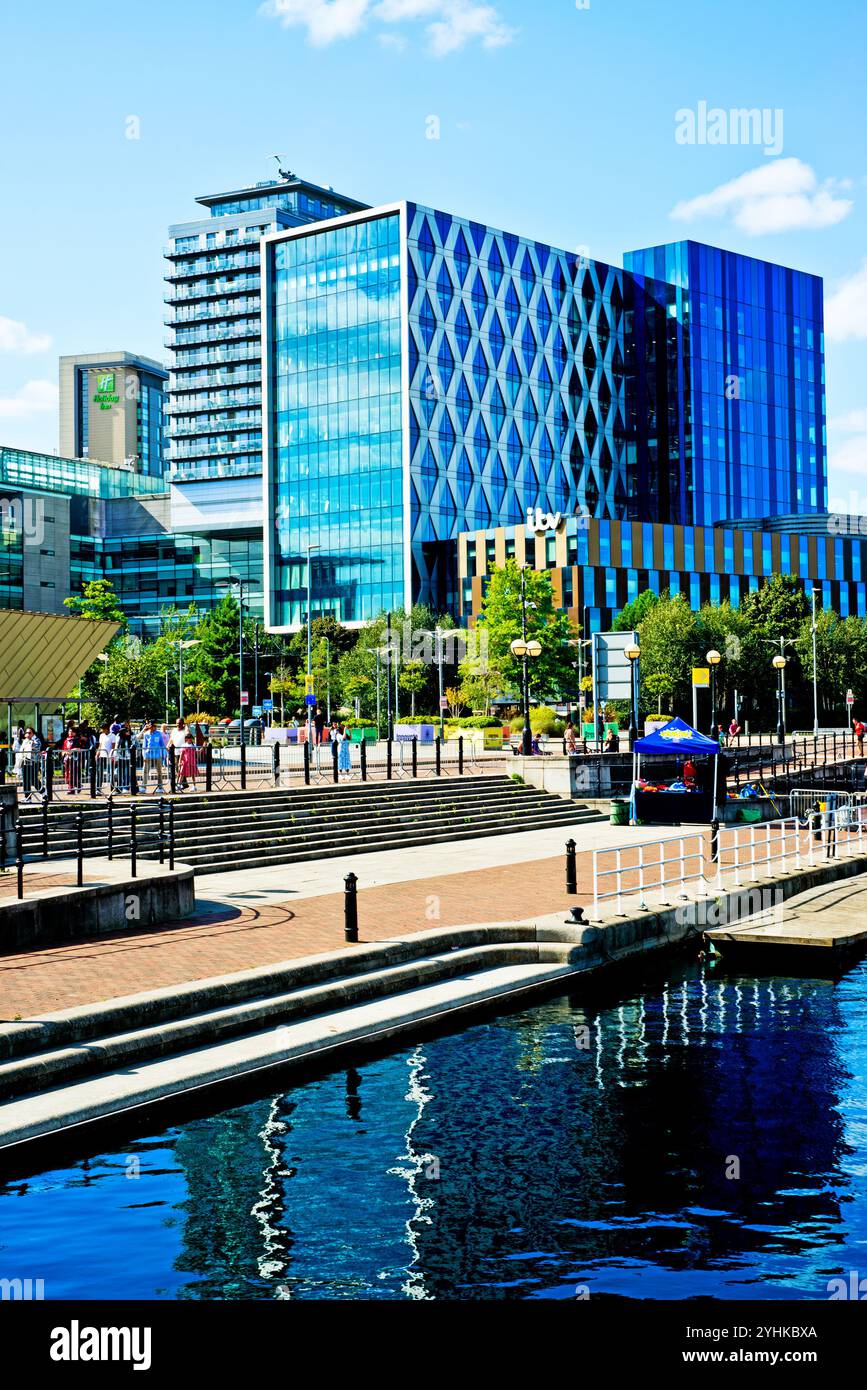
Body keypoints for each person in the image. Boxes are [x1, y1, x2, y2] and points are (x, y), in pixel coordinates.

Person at [141, 718, 167, 793]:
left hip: (157, 755)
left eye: (155, 726)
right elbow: (144, 746)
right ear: (150, 726)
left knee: (159, 771)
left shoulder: (159, 734)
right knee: (145, 771)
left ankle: (160, 787)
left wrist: (164, 755)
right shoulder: (146, 734)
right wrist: (144, 755)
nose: (154, 727)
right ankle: (143, 787)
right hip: (148, 755)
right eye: (153, 726)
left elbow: (162, 744)